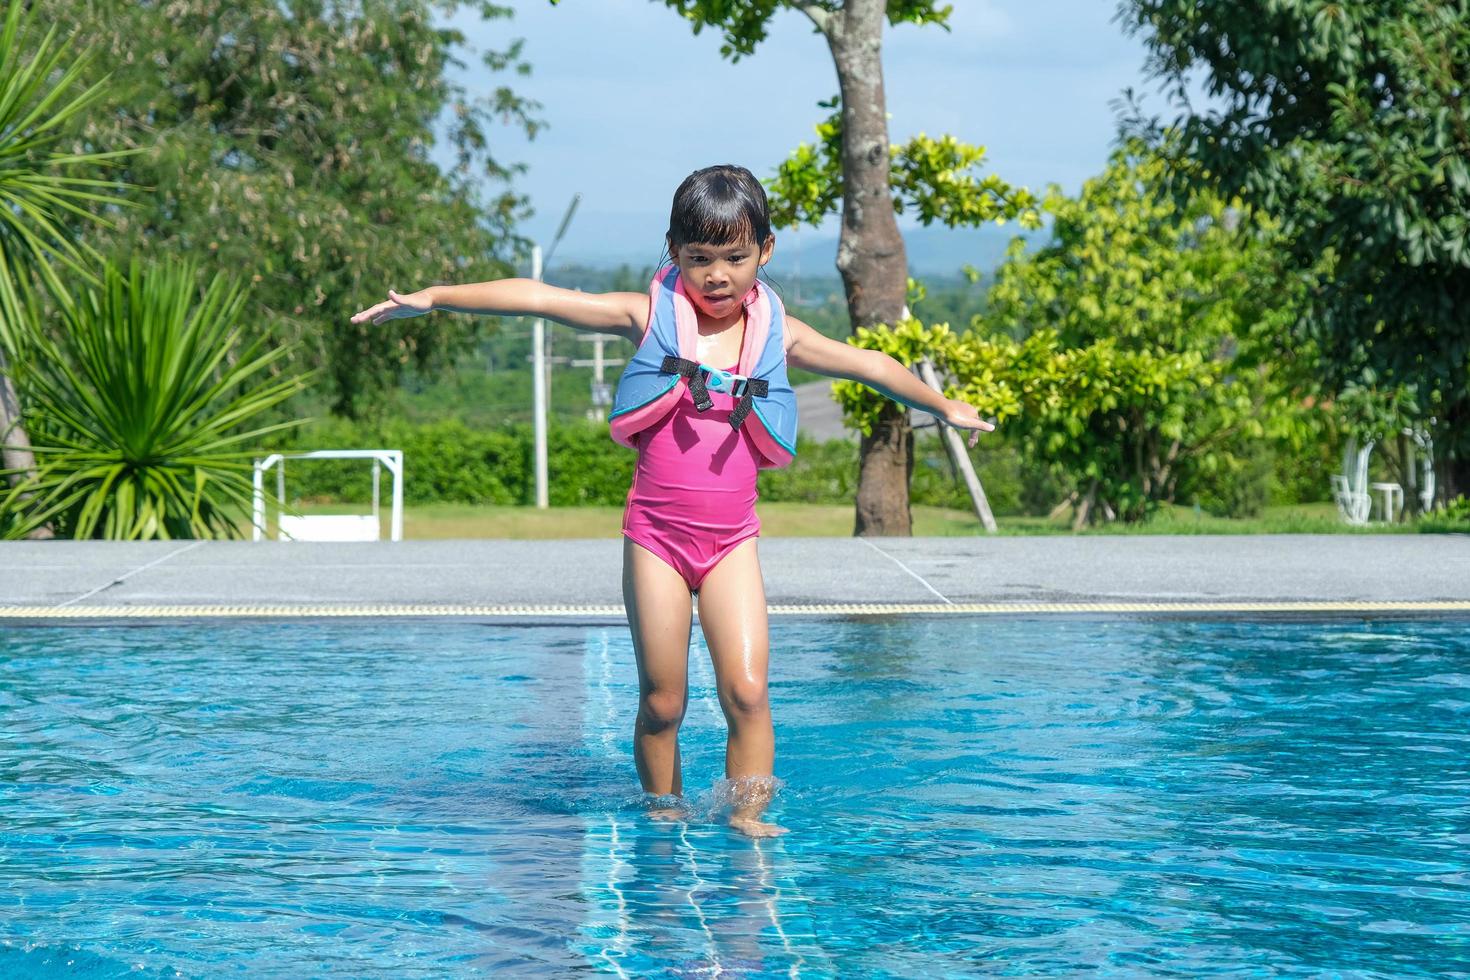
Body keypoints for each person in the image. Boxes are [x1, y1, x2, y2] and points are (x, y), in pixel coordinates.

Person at [350, 164, 994, 837]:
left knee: (746, 692)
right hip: (656, 537)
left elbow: (871, 365)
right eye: (699, 259)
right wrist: (437, 296)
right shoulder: (647, 314)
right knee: (663, 702)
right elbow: (538, 298)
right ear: (674, 251)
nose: (718, 275)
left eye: (736, 258)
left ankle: (748, 819)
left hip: (731, 543)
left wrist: (944, 405)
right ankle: (664, 815)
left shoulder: (780, 333)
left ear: (765, 251)